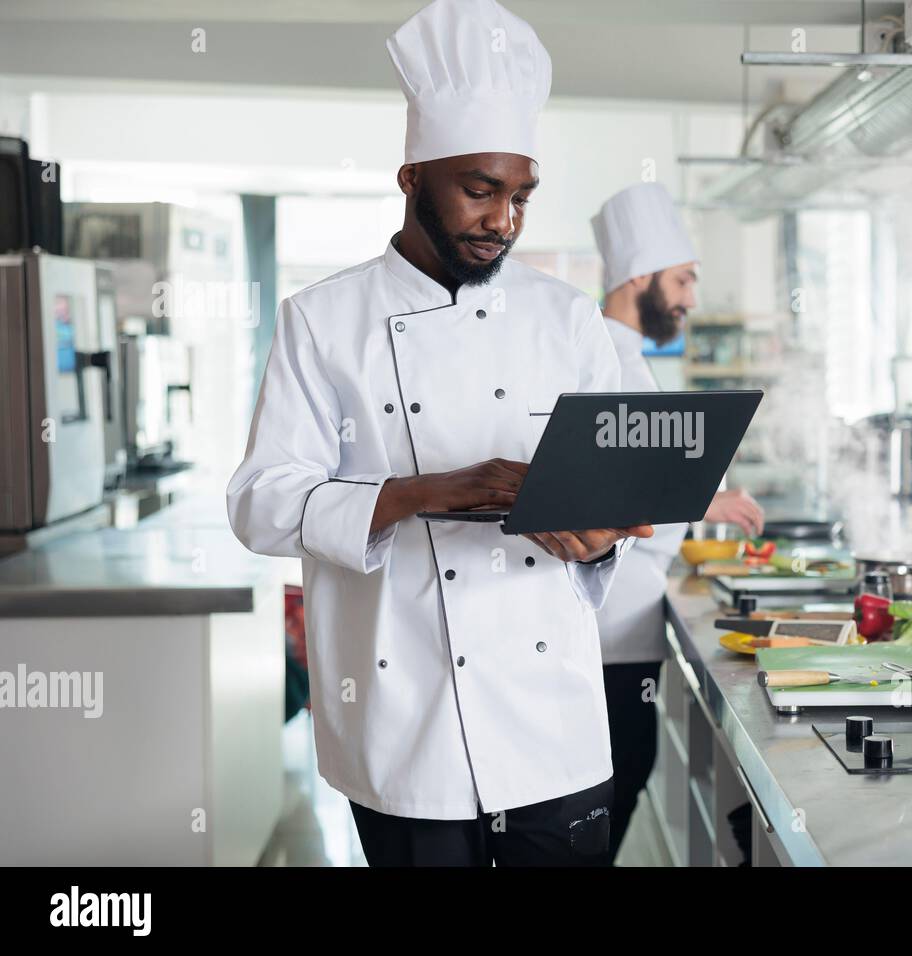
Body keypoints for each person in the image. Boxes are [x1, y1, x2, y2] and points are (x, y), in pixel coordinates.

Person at [226, 0, 652, 867]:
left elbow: (630, 491)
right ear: (412, 176)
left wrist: (598, 538)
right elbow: (260, 506)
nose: (503, 221)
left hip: (551, 721)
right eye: (480, 190)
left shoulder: (569, 323)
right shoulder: (322, 320)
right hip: (401, 722)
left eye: (520, 197)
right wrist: (423, 493)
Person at [590, 182, 764, 860]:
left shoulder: (628, 357)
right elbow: (598, 490)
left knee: (616, 793)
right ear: (642, 275)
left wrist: (698, 496)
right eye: (684, 279)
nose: (692, 298)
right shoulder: (604, 358)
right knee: (607, 798)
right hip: (606, 635)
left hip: (626, 625)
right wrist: (702, 500)